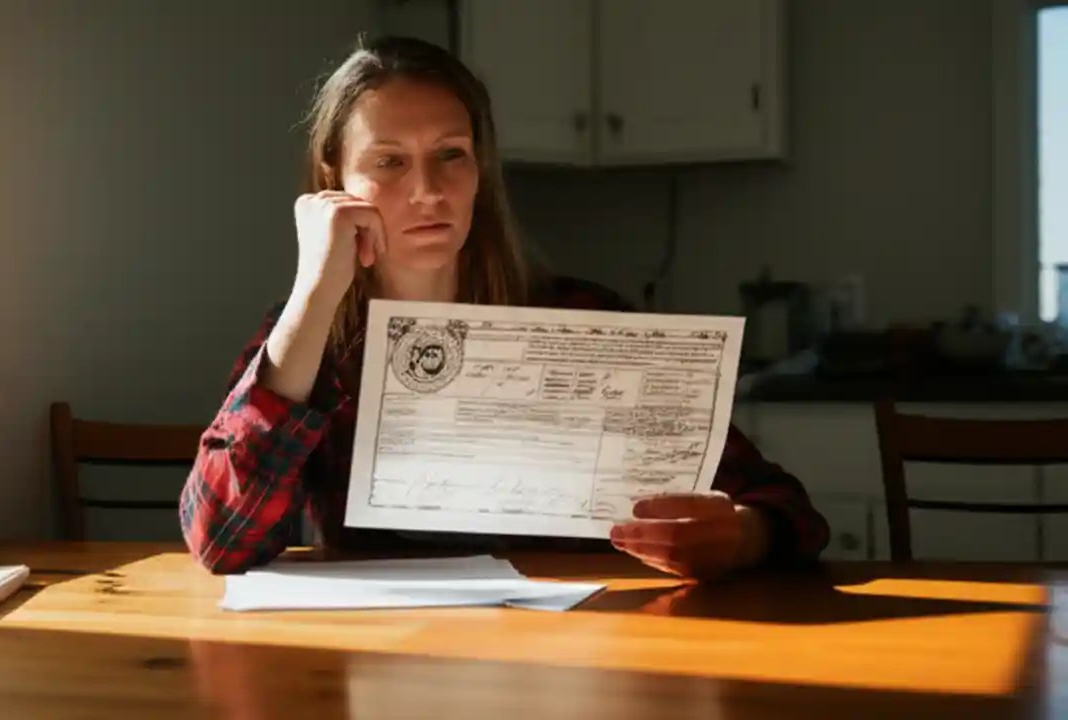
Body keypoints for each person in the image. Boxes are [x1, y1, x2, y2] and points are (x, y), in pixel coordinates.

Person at [180, 36, 829, 579]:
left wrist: (742, 535)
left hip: (585, 649)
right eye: (389, 161)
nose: (427, 191)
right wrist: (315, 293)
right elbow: (222, 540)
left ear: (480, 171)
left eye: (450, 156)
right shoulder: (307, 342)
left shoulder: (587, 321)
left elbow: (789, 510)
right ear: (334, 178)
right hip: (386, 651)